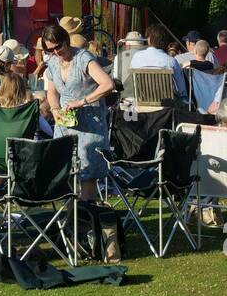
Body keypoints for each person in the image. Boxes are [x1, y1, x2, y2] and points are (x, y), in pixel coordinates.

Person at [43, 22, 115, 202]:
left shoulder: (83, 58)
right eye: (50, 50)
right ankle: (72, 220)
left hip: (90, 125)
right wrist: (54, 109)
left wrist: (82, 102)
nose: (55, 52)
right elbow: (51, 92)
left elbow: (108, 84)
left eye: (58, 47)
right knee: (65, 174)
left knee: (86, 175)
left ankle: (86, 219)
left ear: (66, 41)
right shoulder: (52, 63)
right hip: (64, 126)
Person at [130, 24, 188, 97]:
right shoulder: (171, 61)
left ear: (149, 40)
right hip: (167, 105)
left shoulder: (136, 57)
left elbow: (133, 84)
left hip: (141, 103)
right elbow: (181, 90)